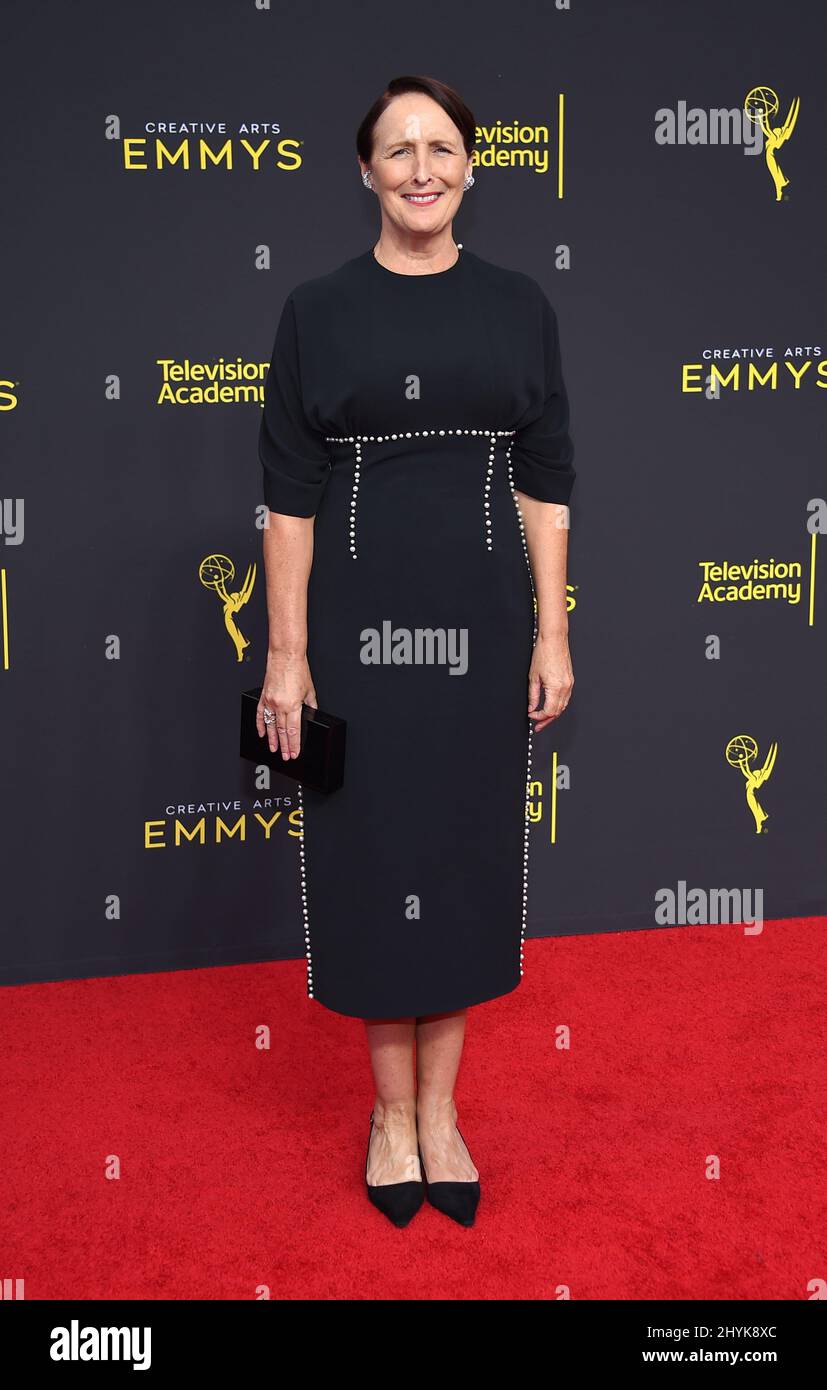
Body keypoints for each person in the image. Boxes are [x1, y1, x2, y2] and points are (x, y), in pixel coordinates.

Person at [257, 74, 575, 1229]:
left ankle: (442, 1111)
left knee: (457, 858)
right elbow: (287, 497)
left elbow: (548, 477)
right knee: (371, 854)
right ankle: (389, 1117)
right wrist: (287, 656)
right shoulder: (317, 310)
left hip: (483, 627)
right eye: (397, 149)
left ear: (472, 165)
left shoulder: (518, 306)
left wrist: (552, 626)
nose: (421, 167)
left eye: (440, 146)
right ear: (364, 171)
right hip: (354, 627)